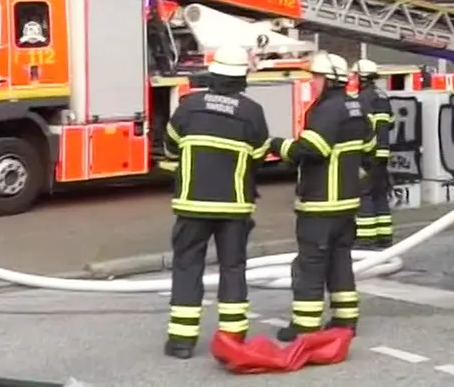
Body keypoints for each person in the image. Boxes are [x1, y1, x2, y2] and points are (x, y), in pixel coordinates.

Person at [162, 44, 272, 360]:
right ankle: (233, 339)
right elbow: (260, 156)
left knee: (187, 267)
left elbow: (170, 148)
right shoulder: (251, 112)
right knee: (233, 268)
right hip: (235, 207)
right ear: (241, 78)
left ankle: (182, 342)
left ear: (213, 74)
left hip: (192, 205)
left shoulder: (188, 107)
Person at [276, 52, 375, 341]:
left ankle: (305, 325)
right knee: (340, 262)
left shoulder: (327, 111)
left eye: (315, 77)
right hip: (347, 204)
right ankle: (346, 320)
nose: (312, 83)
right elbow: (369, 148)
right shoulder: (356, 107)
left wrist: (278, 146)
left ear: (329, 80)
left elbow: (312, 149)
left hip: (321, 203)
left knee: (311, 265)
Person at [351, 59, 396, 250]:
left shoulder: (364, 99)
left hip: (369, 154)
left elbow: (363, 128)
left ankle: (366, 238)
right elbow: (390, 123)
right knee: (379, 194)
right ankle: (384, 236)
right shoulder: (382, 95)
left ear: (361, 77)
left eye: (354, 75)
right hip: (382, 156)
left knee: (365, 195)